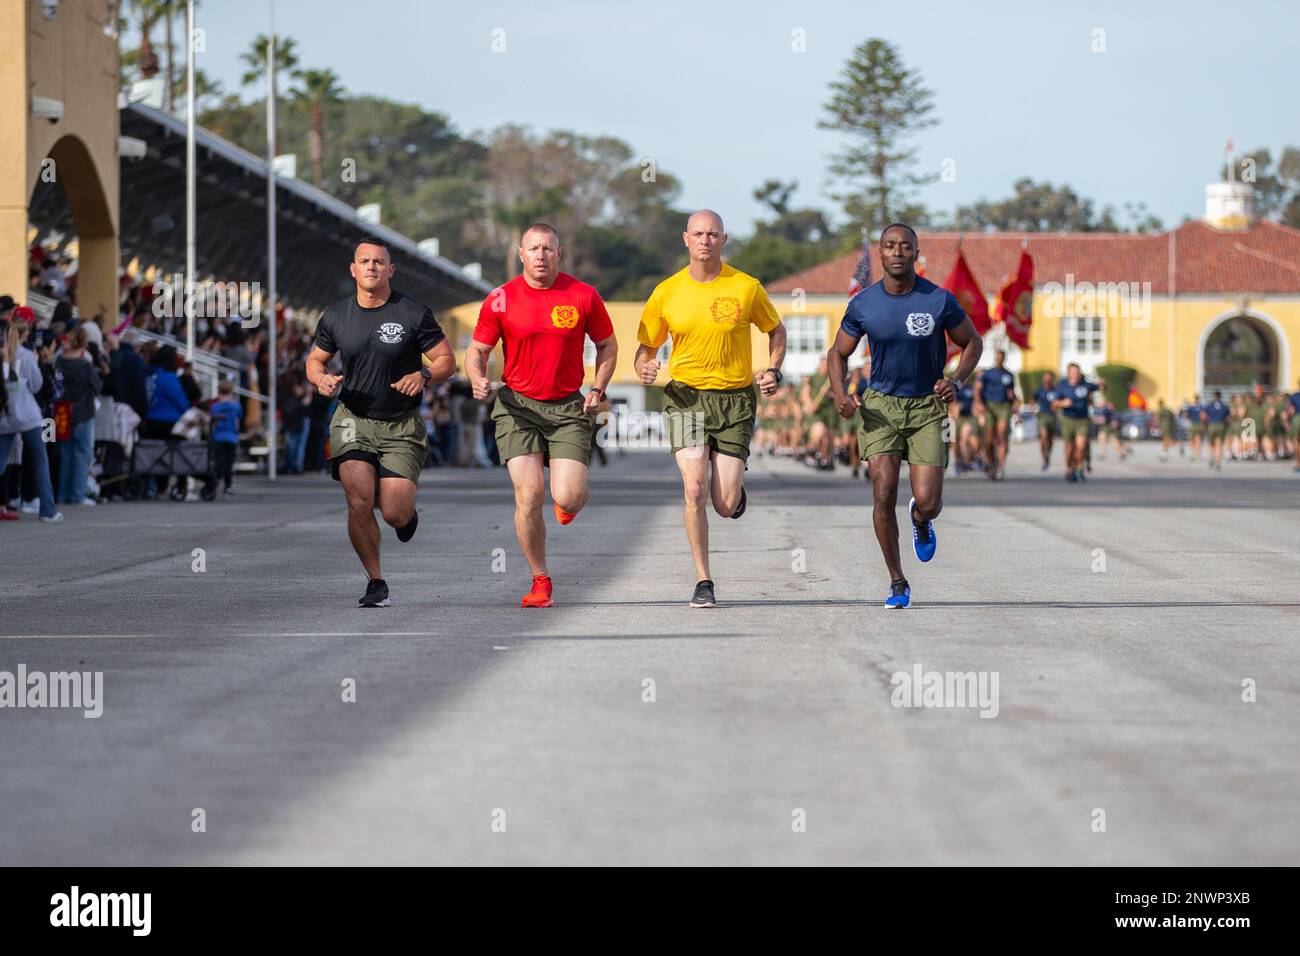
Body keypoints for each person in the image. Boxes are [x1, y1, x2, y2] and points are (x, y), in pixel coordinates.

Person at [634, 209, 786, 608]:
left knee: (724, 504)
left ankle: (734, 492)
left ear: (724, 239)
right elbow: (645, 349)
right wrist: (643, 367)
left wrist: (773, 369)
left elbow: (776, 329)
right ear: (685, 239)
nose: (705, 240)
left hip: (735, 400)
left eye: (713, 234)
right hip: (685, 398)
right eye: (698, 234)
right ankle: (704, 580)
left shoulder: (746, 287)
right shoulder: (666, 292)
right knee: (694, 487)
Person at [827, 223, 982, 608]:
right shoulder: (864, 304)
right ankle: (897, 581)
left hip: (928, 407)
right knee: (883, 494)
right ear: (880, 253)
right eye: (889, 246)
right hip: (880, 407)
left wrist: (958, 380)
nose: (897, 252)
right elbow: (837, 353)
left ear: (916, 252)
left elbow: (973, 342)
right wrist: (839, 395)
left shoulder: (939, 300)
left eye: (905, 247)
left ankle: (920, 518)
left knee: (929, 500)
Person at [466, 222, 617, 608]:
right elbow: (477, 350)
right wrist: (477, 378)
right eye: (533, 249)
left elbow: (607, 345)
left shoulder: (583, 296)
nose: (540, 256)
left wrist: (597, 389)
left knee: (568, 495)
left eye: (548, 249)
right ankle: (540, 579)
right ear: (521, 254)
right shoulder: (500, 299)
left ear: (559, 253)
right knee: (528, 494)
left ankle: (567, 500)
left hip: (568, 406)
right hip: (517, 407)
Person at [305, 236, 456, 608]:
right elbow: (314, 361)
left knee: (393, 511)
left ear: (390, 270)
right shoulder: (336, 316)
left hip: (401, 425)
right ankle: (376, 581)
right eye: (365, 261)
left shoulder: (412, 312)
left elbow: (446, 361)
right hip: (353, 419)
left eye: (379, 261)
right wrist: (320, 379)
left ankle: (406, 518)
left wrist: (423, 375)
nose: (372, 267)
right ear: (353, 270)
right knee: (359, 501)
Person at [0, 318, 61, 522]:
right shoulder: (26, 356)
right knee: (40, 460)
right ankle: (47, 510)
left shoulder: (3, 356)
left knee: (1, 461)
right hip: (28, 415)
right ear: (25, 334)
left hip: (5, 416)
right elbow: (37, 385)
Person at [54, 326, 103, 506]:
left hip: (62, 411)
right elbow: (98, 386)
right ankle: (77, 494)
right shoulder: (86, 365)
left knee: (65, 452)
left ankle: (63, 494)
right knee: (82, 453)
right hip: (83, 411)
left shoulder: (58, 362)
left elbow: (55, 386)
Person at [973, 349, 1017, 481]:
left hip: (1003, 406)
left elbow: (1012, 392)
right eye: (997, 357)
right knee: (989, 438)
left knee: (1002, 434)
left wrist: (1014, 402)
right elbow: (977, 389)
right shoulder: (987, 374)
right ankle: (991, 463)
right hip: (989, 406)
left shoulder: (1009, 375)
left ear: (1004, 359)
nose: (999, 359)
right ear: (994, 358)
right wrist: (978, 402)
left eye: (1001, 358)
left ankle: (1001, 467)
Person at [1051, 363, 1099, 482]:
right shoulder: (1062, 386)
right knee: (1069, 448)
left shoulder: (1085, 385)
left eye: (1077, 372)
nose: (1075, 375)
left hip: (1082, 420)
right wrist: (1063, 403)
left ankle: (1078, 467)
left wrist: (1103, 383)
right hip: (1068, 419)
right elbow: (1054, 403)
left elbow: (1098, 386)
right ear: (1068, 373)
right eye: (1073, 372)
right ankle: (1069, 469)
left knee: (1081, 446)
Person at [209, 379, 243, 498]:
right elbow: (237, 422)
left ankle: (216, 482)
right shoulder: (236, 406)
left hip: (218, 437)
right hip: (231, 437)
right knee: (229, 463)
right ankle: (227, 486)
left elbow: (212, 424)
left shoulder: (215, 407)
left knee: (218, 462)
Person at [1033, 371, 1060, 470]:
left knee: (1050, 439)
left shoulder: (1056, 390)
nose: (1047, 379)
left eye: (1049, 378)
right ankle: (1044, 458)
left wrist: (1058, 407)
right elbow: (1033, 400)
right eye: (1046, 377)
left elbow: (1061, 400)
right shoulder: (1039, 390)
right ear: (1043, 379)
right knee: (1043, 438)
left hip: (1052, 416)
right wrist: (1033, 408)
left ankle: (1048, 455)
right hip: (1042, 416)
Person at [1201, 390, 1230, 471]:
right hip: (1221, 425)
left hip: (1211, 425)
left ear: (1214, 397)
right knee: (1219, 445)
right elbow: (1228, 418)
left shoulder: (1209, 406)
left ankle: (1211, 459)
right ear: (1220, 397)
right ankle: (1218, 462)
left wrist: (1204, 425)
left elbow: (1203, 416)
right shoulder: (1225, 406)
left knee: (1211, 444)